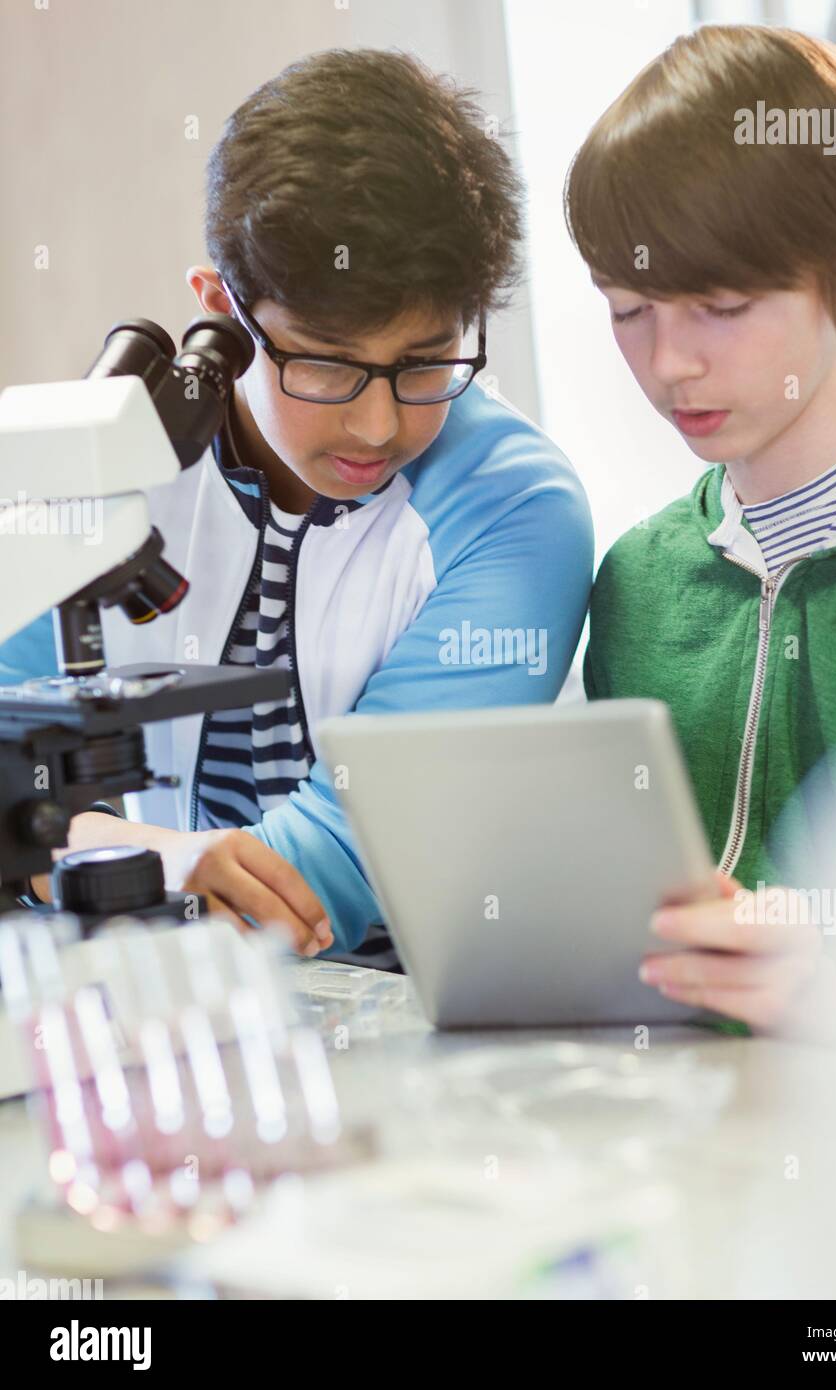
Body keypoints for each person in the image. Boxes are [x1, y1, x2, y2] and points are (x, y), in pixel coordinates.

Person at [2, 49, 593, 962]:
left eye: (426, 361)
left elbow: (334, 873)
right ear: (221, 312)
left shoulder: (517, 509)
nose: (378, 422)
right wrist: (128, 856)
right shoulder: (113, 456)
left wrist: (75, 854)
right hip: (152, 982)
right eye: (325, 361)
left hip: (397, 1001)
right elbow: (14, 755)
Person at [565, 23, 836, 1070]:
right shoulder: (639, 582)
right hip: (694, 1145)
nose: (668, 365)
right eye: (629, 311)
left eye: (722, 307)